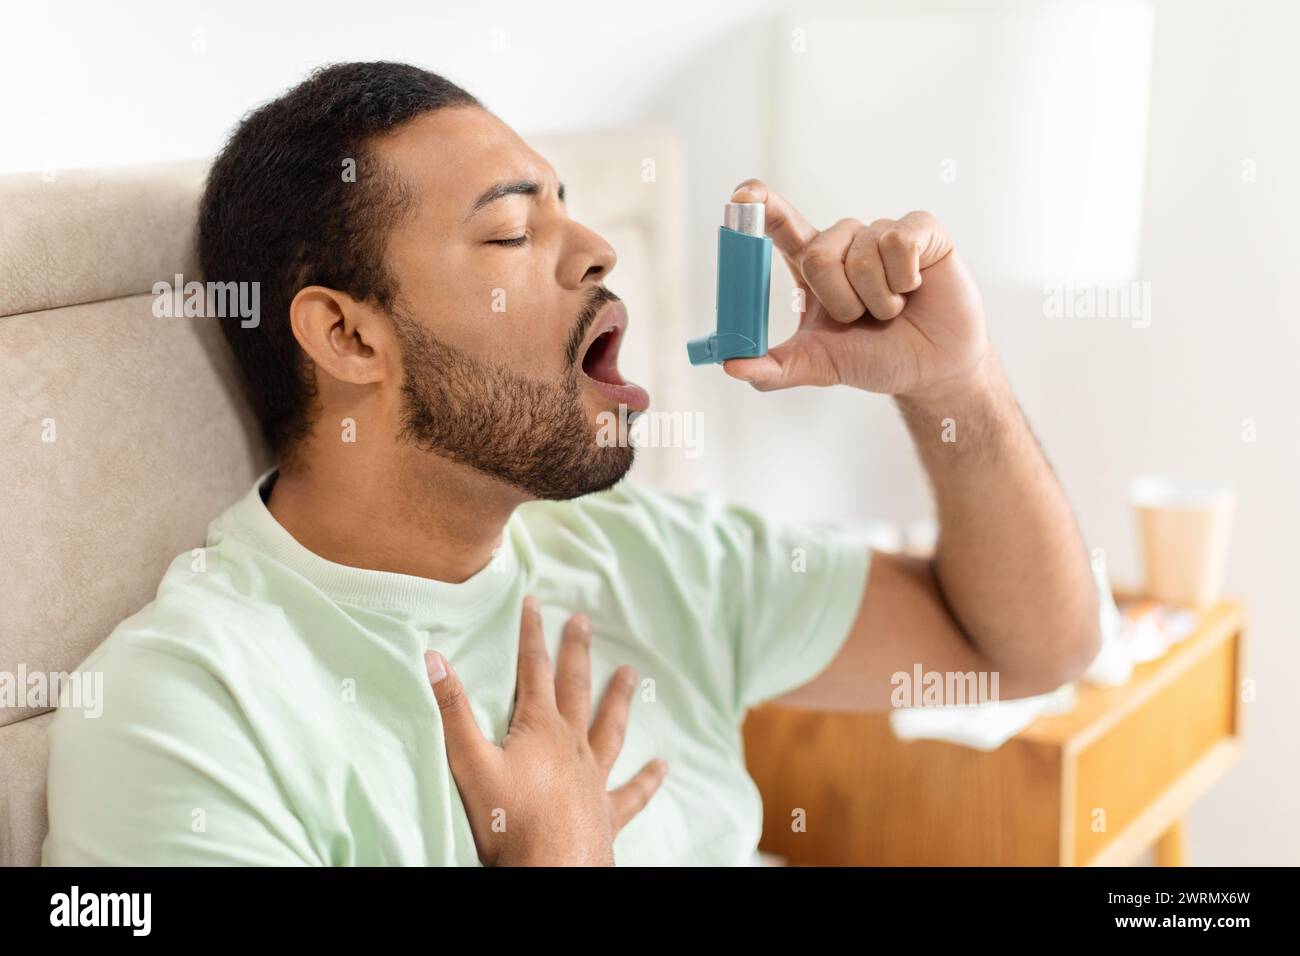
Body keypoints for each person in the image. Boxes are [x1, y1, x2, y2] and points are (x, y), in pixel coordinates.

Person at [43, 61, 1099, 866]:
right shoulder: (190, 713)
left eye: (567, 204)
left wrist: (953, 387)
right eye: (510, 231)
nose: (596, 247)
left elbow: (1024, 648)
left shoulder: (638, 547)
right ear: (348, 336)